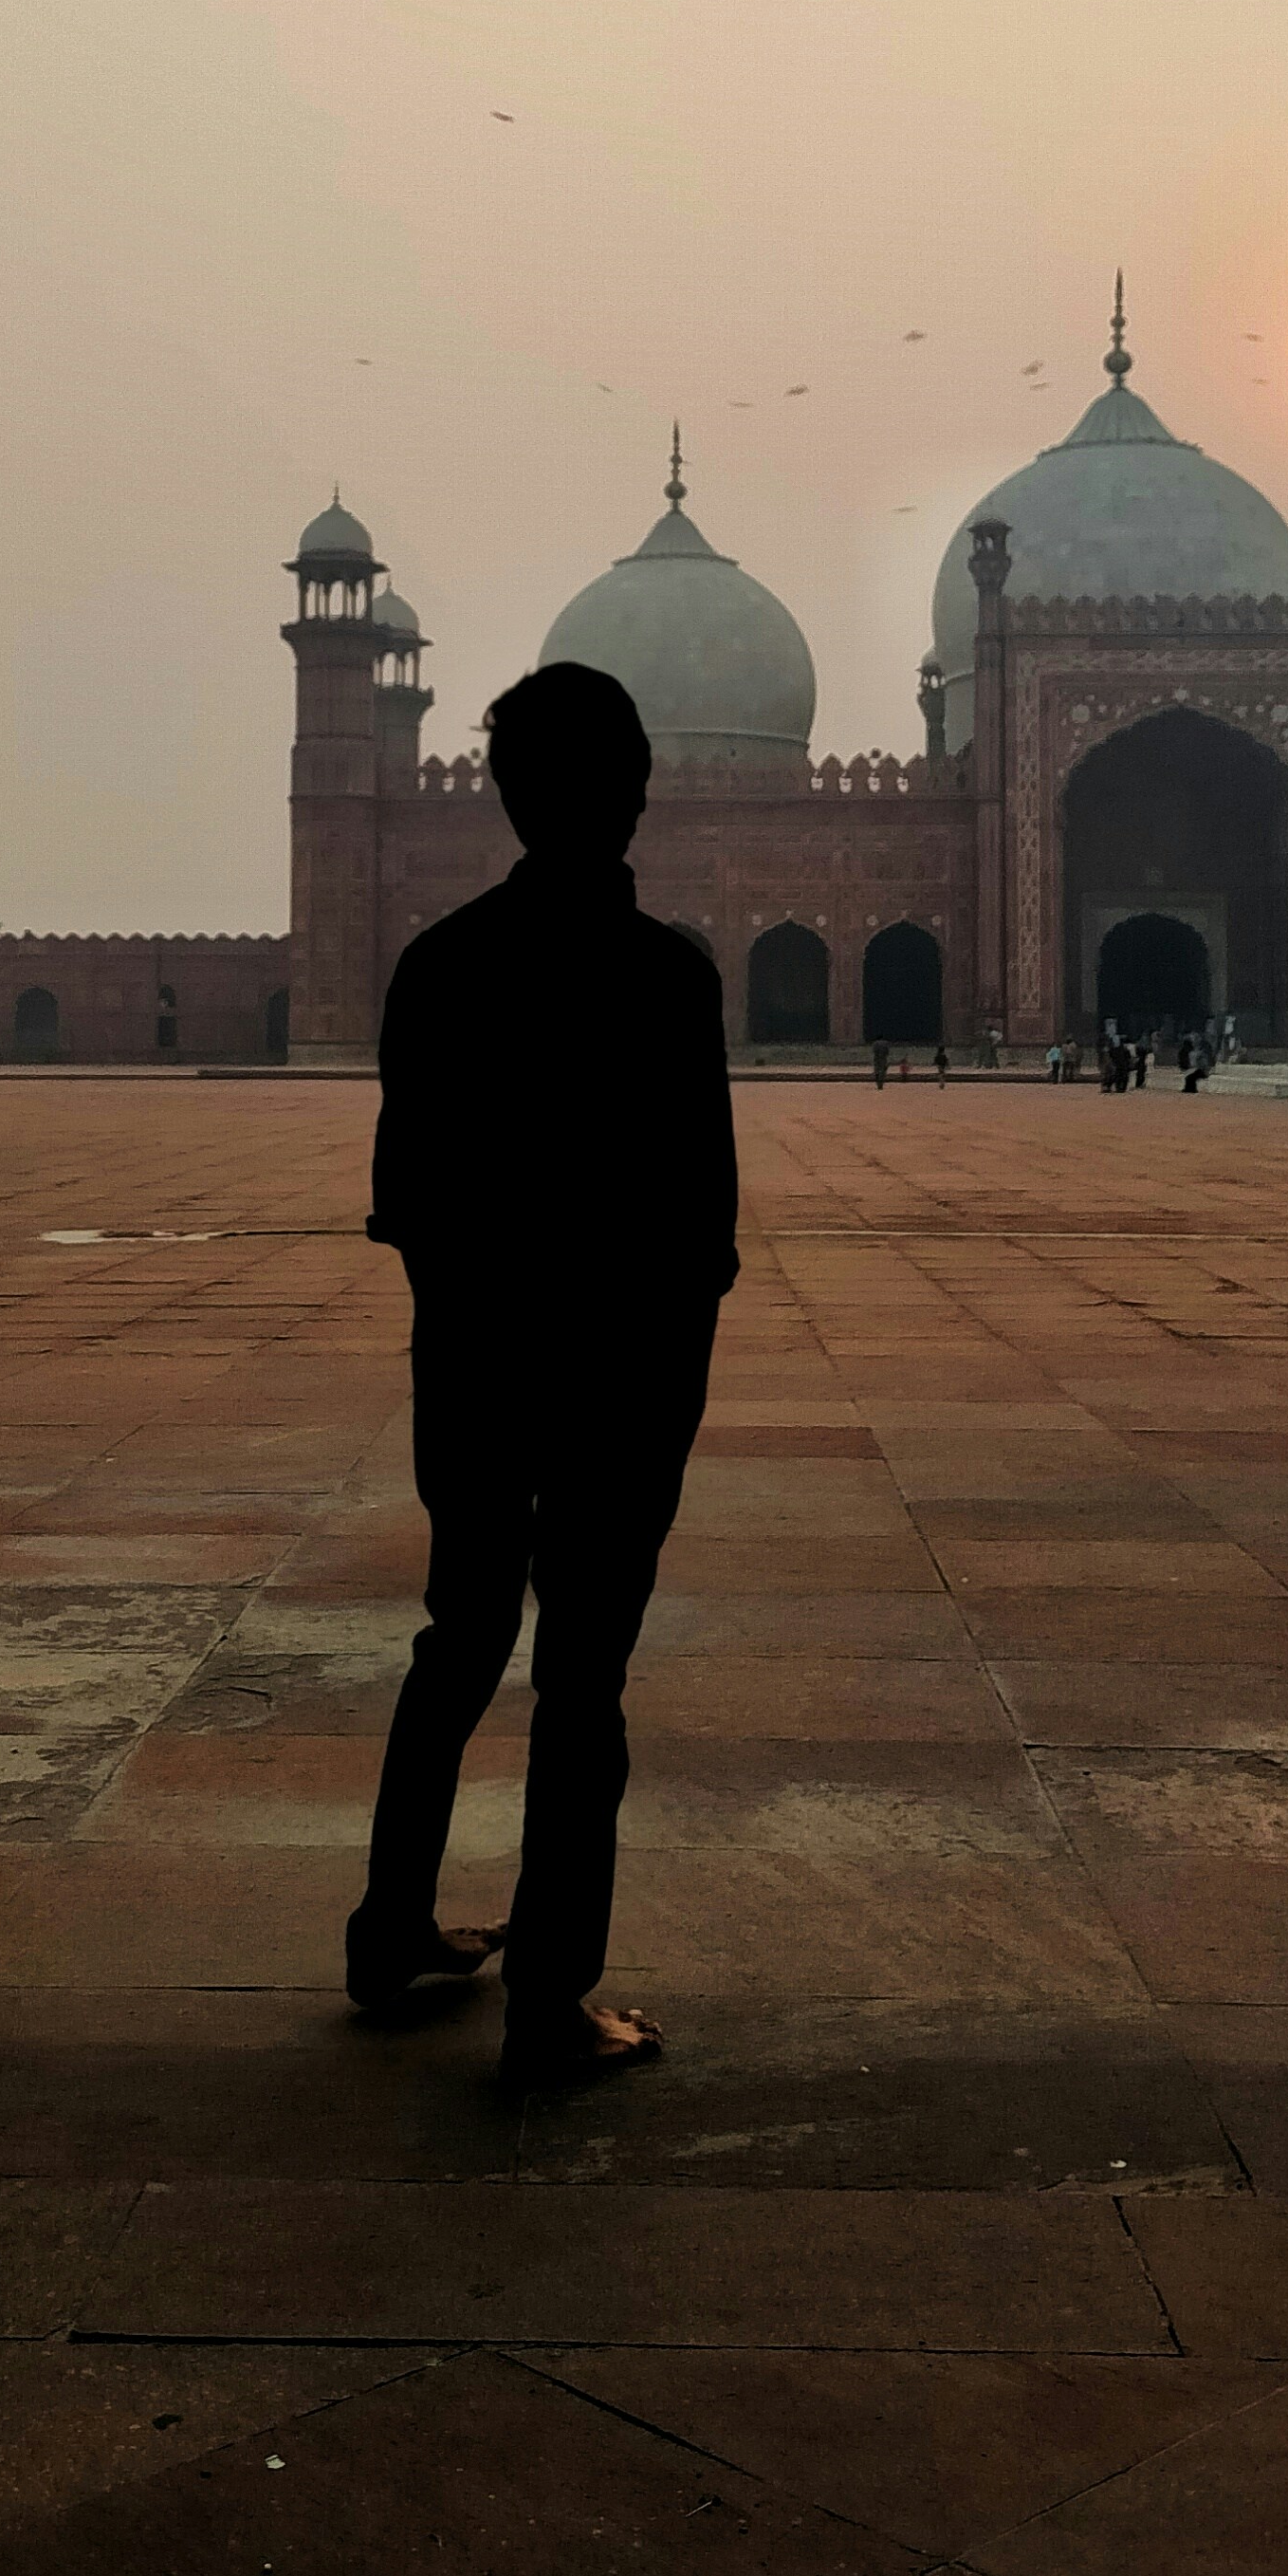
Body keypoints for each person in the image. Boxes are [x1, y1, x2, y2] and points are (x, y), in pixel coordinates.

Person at [342, 660, 738, 2087]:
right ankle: (549, 1995)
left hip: (476, 1370)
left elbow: (407, 1205)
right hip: (622, 1389)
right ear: (640, 788)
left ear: (504, 795)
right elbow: (701, 1234)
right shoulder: (665, 976)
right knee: (583, 1683)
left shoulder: (442, 967)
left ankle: (389, 1929)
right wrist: (659, 1408)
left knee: (457, 1643)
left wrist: (470, 1338)